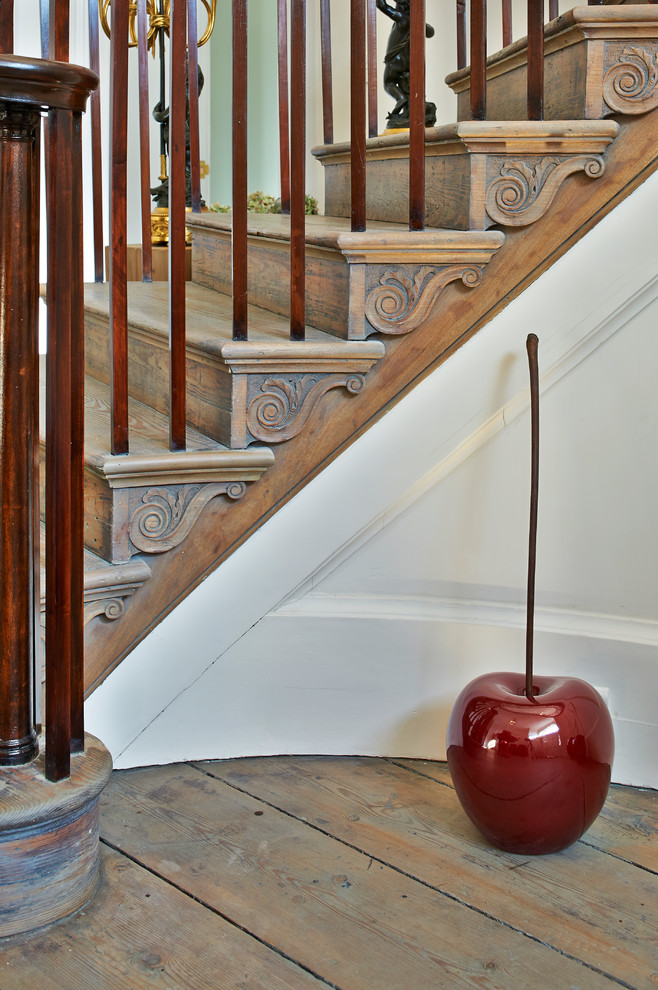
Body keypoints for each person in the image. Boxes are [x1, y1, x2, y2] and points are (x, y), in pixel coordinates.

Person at [376, 0, 437, 128]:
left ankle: (400, 98)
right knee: (407, 86)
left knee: (389, 83)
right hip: (409, 62)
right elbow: (431, 32)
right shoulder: (416, 22)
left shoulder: (401, 18)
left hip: (395, 60)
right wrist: (422, 23)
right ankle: (409, 108)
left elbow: (382, 5)